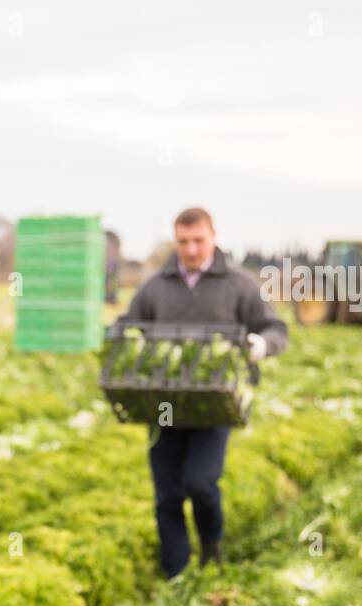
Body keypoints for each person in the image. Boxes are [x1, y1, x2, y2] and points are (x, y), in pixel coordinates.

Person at [119, 208, 287, 578]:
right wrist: (121, 342)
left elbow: (276, 328)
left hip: (215, 404)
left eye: (198, 241)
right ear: (174, 241)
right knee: (167, 495)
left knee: (200, 482)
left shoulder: (238, 285)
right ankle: (175, 571)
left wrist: (261, 344)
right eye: (183, 242)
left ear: (213, 237)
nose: (191, 249)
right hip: (163, 403)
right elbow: (128, 326)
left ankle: (211, 547)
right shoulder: (155, 287)